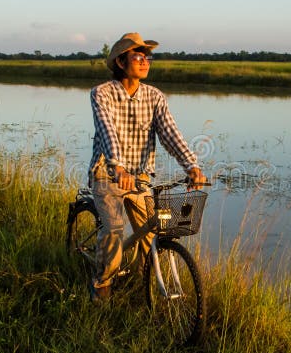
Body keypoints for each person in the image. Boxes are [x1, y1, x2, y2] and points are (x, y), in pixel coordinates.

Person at [88, 32, 206, 301]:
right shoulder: (101, 94)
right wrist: (117, 166)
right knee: (115, 230)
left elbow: (170, 134)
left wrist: (191, 166)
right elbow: (107, 132)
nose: (145, 61)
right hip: (108, 174)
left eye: (148, 57)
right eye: (138, 56)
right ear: (120, 61)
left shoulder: (154, 96)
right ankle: (101, 282)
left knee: (150, 232)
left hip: (140, 176)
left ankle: (146, 285)